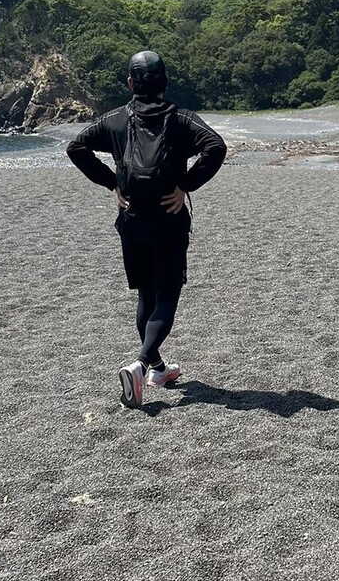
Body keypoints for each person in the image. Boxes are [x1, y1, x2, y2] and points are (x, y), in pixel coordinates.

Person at [66, 50, 227, 408]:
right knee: (166, 296)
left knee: (145, 295)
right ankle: (140, 363)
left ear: (129, 84)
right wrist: (186, 185)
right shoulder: (182, 119)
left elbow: (76, 147)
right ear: (165, 83)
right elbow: (216, 146)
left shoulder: (115, 120)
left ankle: (156, 367)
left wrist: (113, 184)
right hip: (168, 218)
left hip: (132, 220)